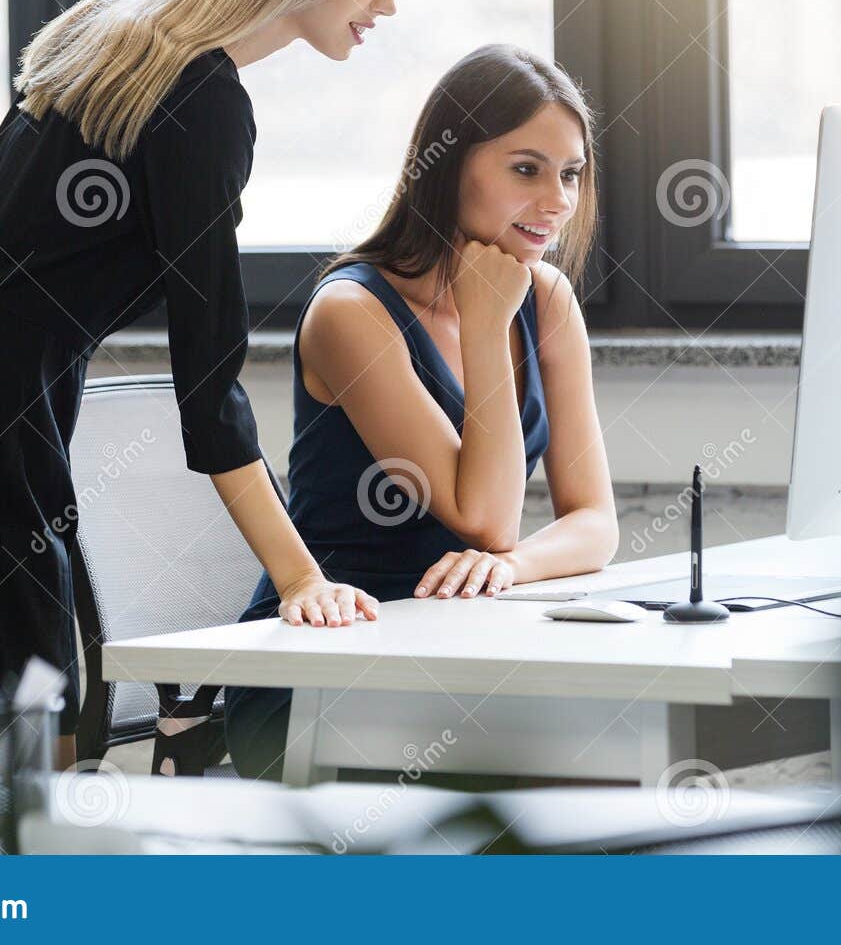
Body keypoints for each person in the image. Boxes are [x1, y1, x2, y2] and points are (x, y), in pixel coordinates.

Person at [0, 0, 423, 767]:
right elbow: (210, 382)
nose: (389, 2)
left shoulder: (126, 28)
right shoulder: (199, 98)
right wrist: (300, 577)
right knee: (27, 727)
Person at [225, 44, 620, 781]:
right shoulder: (351, 313)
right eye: (526, 168)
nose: (560, 200)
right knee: (562, 769)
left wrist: (506, 569)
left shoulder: (547, 301)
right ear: (450, 164)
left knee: (612, 749)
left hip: (452, 646)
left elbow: (595, 522)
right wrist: (481, 319)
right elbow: (485, 514)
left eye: (570, 174)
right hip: (320, 665)